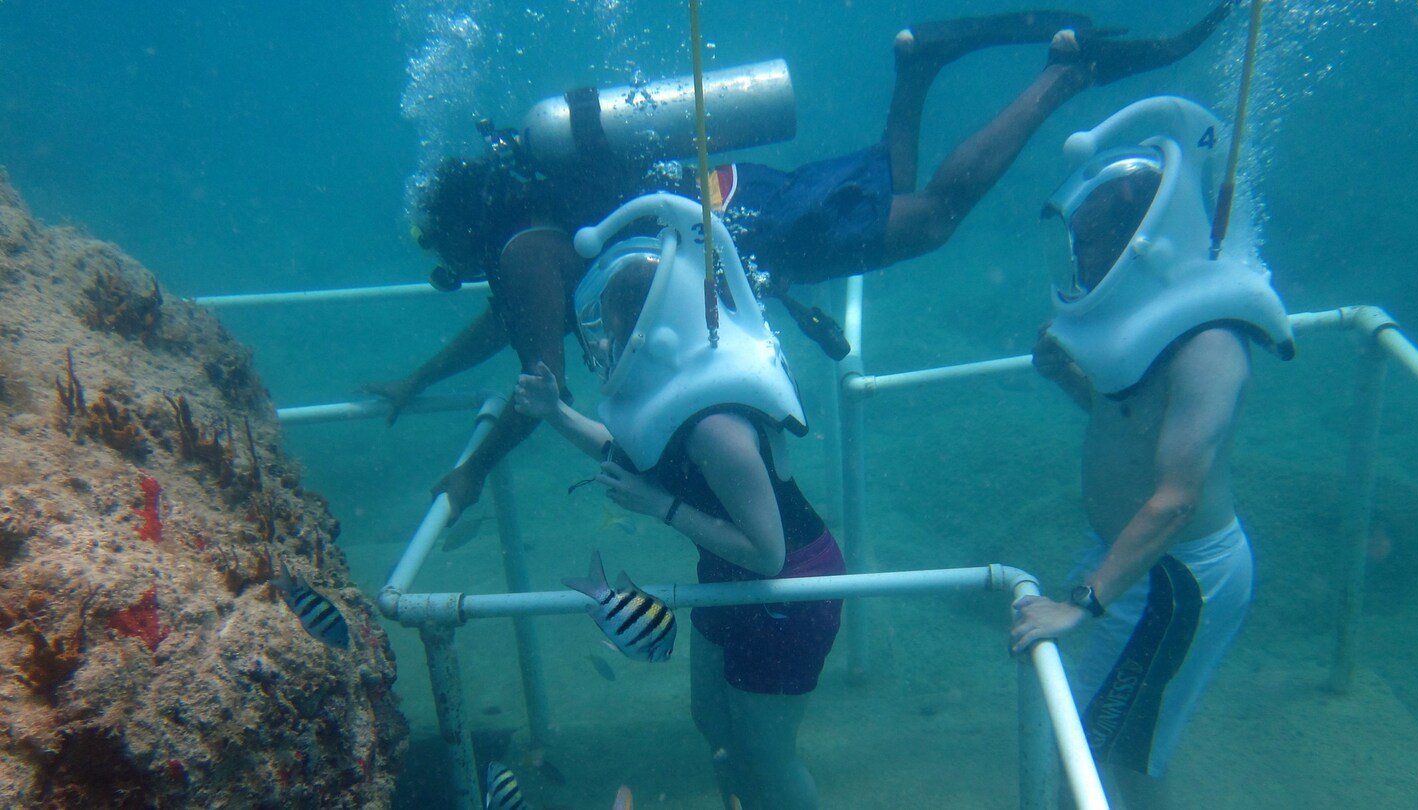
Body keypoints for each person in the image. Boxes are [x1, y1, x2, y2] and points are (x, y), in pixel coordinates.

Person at [365, 3, 1237, 522]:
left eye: (435, 245)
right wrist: (415, 379)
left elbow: (537, 378)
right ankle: (919, 64)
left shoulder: (522, 257)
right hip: (735, 204)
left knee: (930, 219)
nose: (444, 262)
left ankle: (1063, 79)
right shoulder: (531, 241)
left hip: (751, 233)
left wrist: (475, 469)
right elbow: (508, 325)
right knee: (892, 188)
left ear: (460, 226)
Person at [1008, 96, 1295, 809]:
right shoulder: (1142, 322)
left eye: (1100, 240)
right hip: (1127, 559)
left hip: (1175, 583)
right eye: (1083, 241)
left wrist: (1081, 602)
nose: (1087, 257)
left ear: (1148, 240)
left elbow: (1177, 497)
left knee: (1118, 763)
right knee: (1096, 746)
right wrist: (1069, 376)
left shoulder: (1208, 346)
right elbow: (1131, 426)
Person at [513, 193, 844, 810]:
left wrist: (657, 508)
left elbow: (769, 555)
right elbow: (631, 454)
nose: (605, 344)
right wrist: (555, 413)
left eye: (612, 328)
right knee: (714, 725)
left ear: (652, 332)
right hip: (727, 574)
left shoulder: (717, 428)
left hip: (789, 592)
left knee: (768, 754)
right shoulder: (673, 389)